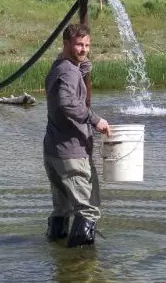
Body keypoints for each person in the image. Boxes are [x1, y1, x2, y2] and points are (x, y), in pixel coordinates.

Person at [43, 23, 110, 247]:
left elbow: (67, 85)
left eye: (87, 45)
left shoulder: (59, 66)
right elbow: (67, 103)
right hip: (71, 153)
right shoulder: (69, 72)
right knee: (88, 208)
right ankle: (80, 265)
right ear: (66, 44)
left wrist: (81, 69)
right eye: (79, 45)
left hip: (54, 151)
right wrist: (95, 120)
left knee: (62, 208)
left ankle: (57, 257)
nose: (83, 49)